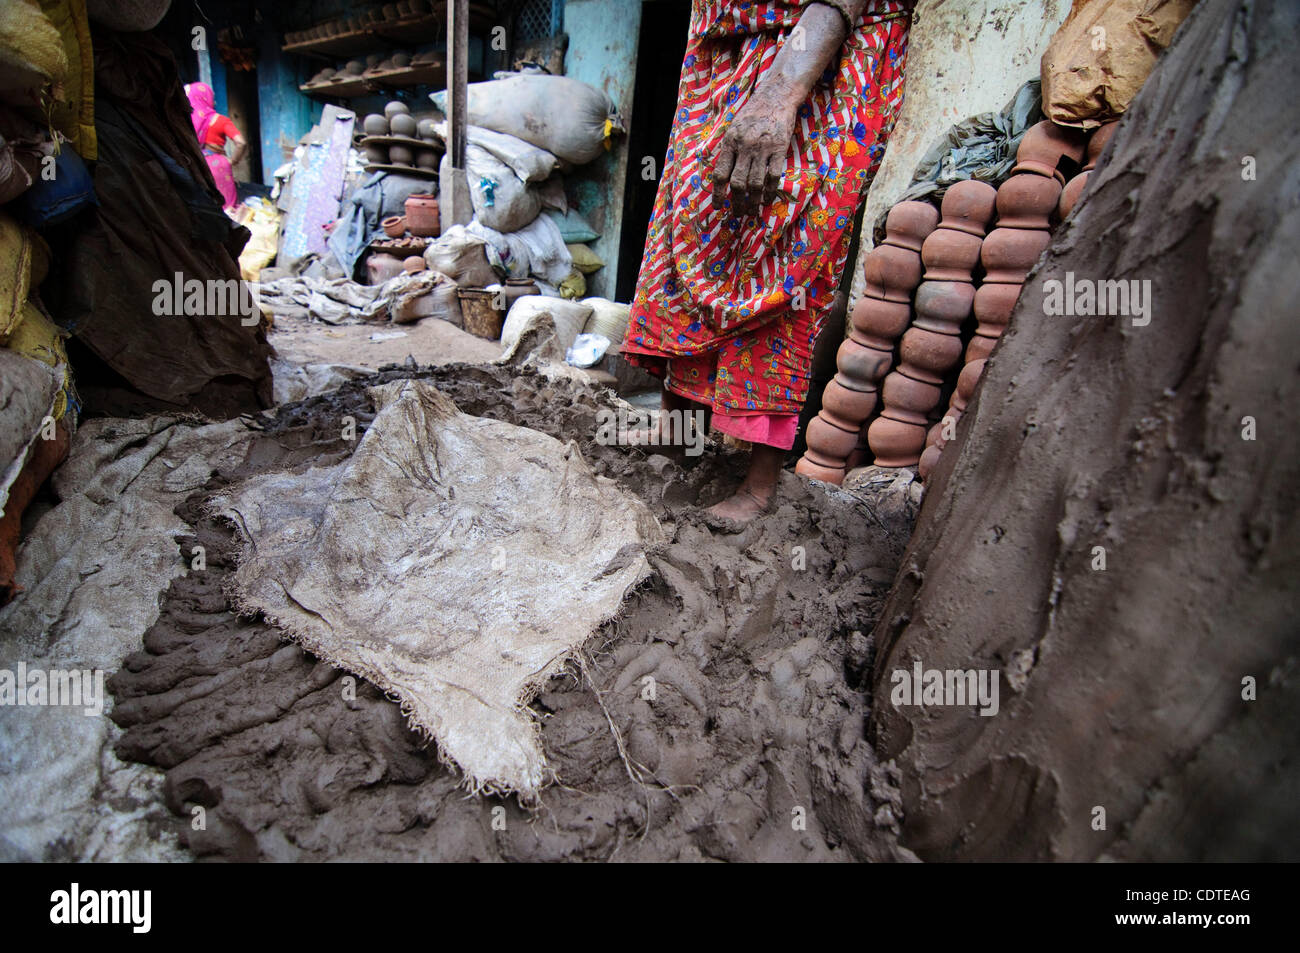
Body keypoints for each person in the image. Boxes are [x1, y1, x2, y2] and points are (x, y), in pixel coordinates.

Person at [623, 0, 910, 527]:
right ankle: (680, 431)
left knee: (781, 253)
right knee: (691, 230)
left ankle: (758, 484)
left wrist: (779, 95)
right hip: (726, 56)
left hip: (815, 58)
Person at [184, 81, 246, 210]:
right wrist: (232, 161)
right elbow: (241, 142)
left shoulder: (187, 123)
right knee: (228, 207)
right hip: (219, 165)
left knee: (206, 206)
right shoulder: (221, 120)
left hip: (197, 165)